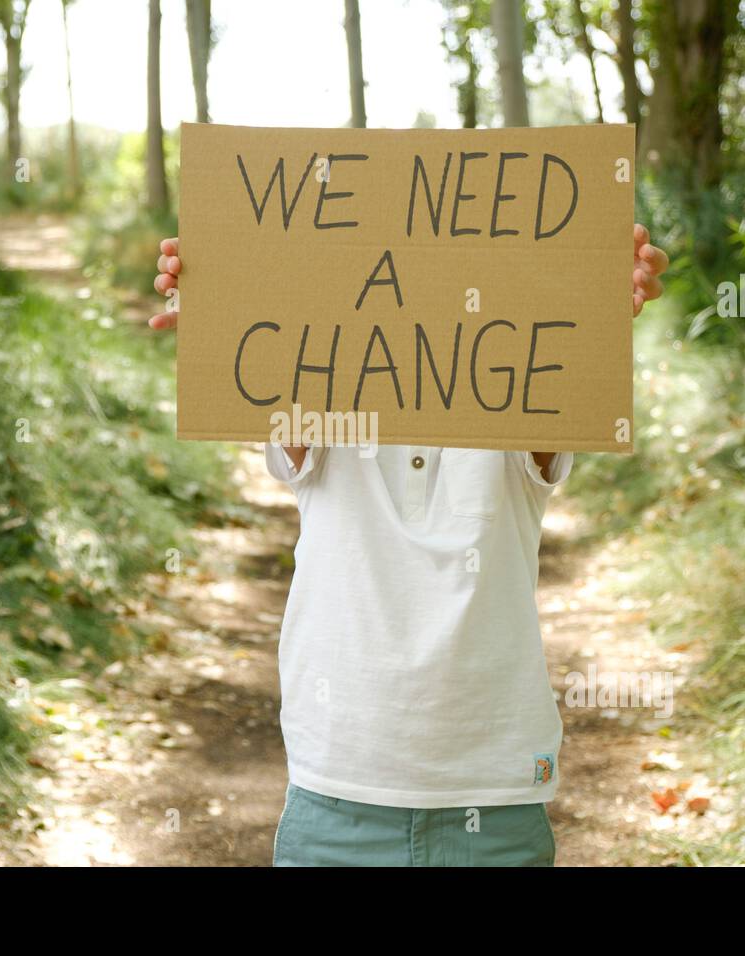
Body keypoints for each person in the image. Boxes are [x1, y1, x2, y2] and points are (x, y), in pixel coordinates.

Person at [150, 225, 669, 866]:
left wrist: (588, 309)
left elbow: (551, 384)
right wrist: (229, 314)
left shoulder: (518, 384)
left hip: (494, 801)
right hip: (335, 795)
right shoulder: (321, 383)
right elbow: (280, 396)